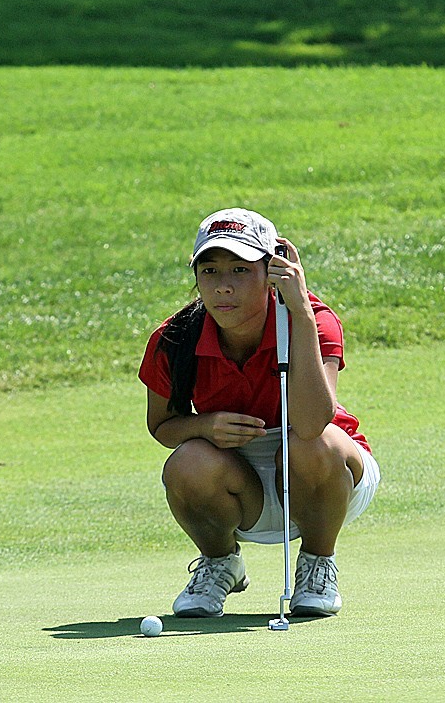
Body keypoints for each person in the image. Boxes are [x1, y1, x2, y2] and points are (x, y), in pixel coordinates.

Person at [138, 208, 380, 618]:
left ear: (272, 271)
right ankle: (220, 563)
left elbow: (311, 422)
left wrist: (299, 310)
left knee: (315, 444)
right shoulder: (175, 339)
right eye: (210, 271)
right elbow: (162, 426)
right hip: (234, 475)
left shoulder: (314, 321)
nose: (223, 287)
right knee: (186, 464)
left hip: (324, 474)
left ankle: (318, 564)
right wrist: (204, 426)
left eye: (240, 270)